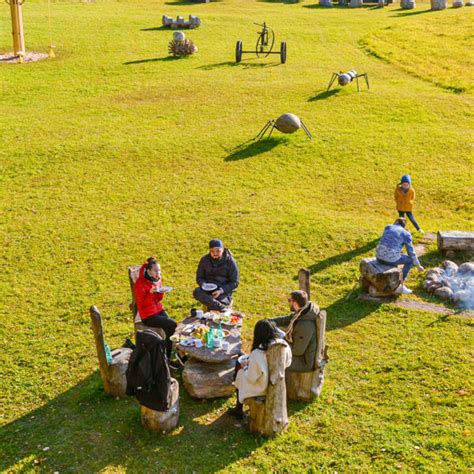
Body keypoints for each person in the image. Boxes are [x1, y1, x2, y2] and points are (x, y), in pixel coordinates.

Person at [229, 319, 292, 419]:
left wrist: (244, 368)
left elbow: (251, 378)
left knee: (239, 372)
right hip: (277, 381)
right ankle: (238, 408)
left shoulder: (258, 353)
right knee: (240, 368)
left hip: (262, 387)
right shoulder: (284, 346)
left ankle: (238, 408)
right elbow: (288, 362)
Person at [133, 257, 178, 365]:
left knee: (171, 327)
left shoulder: (157, 279)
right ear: (148, 271)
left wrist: (160, 292)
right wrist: (150, 293)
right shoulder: (140, 284)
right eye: (156, 271)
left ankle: (165, 355)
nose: (158, 273)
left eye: (159, 270)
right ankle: (164, 357)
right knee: (172, 324)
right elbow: (142, 305)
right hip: (147, 315)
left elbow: (158, 299)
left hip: (158, 310)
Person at [269, 290, 320, 373]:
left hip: (303, 362)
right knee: (273, 333)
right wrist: (268, 321)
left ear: (295, 304)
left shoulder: (304, 326)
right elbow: (287, 319)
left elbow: (297, 351)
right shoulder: (303, 311)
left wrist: (280, 340)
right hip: (297, 349)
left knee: (272, 356)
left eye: (290, 300)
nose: (289, 302)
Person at [376, 218, 425, 294]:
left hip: (378, 256)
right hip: (389, 258)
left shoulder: (388, 226)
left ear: (396, 222)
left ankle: (396, 280)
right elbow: (411, 252)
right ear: (404, 225)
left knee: (394, 254)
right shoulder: (406, 233)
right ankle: (400, 284)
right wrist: (418, 265)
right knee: (409, 260)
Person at [193, 239, 239, 311]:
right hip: (207, 290)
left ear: (223, 249)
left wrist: (220, 290)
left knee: (217, 303)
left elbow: (235, 282)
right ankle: (220, 307)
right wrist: (203, 284)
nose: (215, 253)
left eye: (218, 251)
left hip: (223, 291)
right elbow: (199, 277)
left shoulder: (230, 262)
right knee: (197, 292)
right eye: (212, 251)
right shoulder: (204, 260)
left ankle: (217, 306)